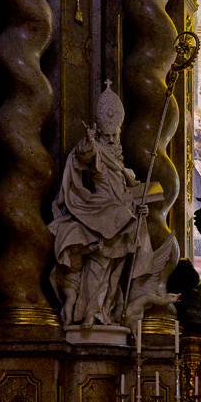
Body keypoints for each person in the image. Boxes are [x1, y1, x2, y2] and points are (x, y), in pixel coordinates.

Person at [49, 81, 152, 327]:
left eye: (114, 135)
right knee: (99, 265)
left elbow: (130, 192)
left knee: (114, 269)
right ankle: (90, 312)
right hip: (104, 214)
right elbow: (86, 155)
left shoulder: (122, 165)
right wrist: (88, 141)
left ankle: (104, 312)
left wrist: (142, 209)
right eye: (106, 136)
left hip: (122, 215)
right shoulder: (98, 151)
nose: (111, 139)